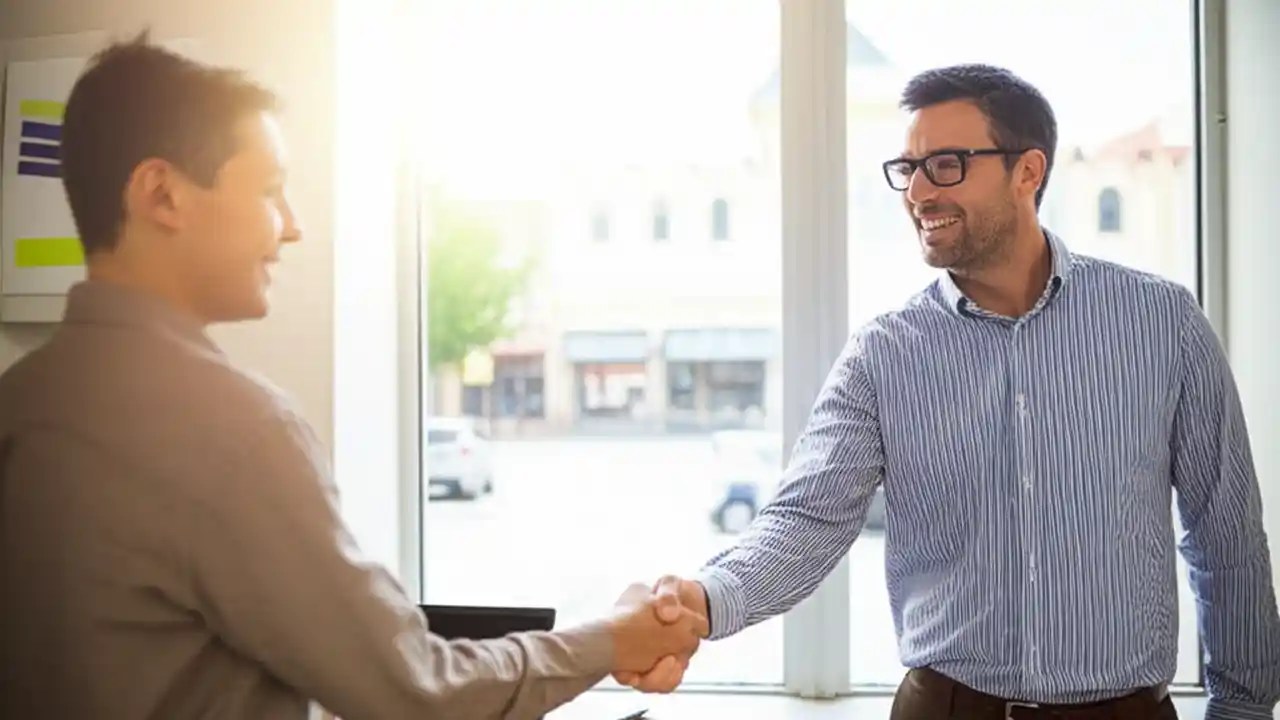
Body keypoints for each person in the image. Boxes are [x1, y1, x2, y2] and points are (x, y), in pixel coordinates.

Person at [0, 35, 704, 720]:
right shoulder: (236, 432)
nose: (292, 226)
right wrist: (618, 638)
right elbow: (417, 694)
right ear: (163, 195)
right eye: (271, 191)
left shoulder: (19, 404)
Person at [617, 64, 1280, 719]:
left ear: (1028, 171)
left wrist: (1246, 711)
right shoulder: (883, 353)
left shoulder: (1161, 322)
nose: (918, 193)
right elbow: (806, 521)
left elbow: (1226, 535)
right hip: (946, 710)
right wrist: (702, 600)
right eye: (909, 170)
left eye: (946, 165)